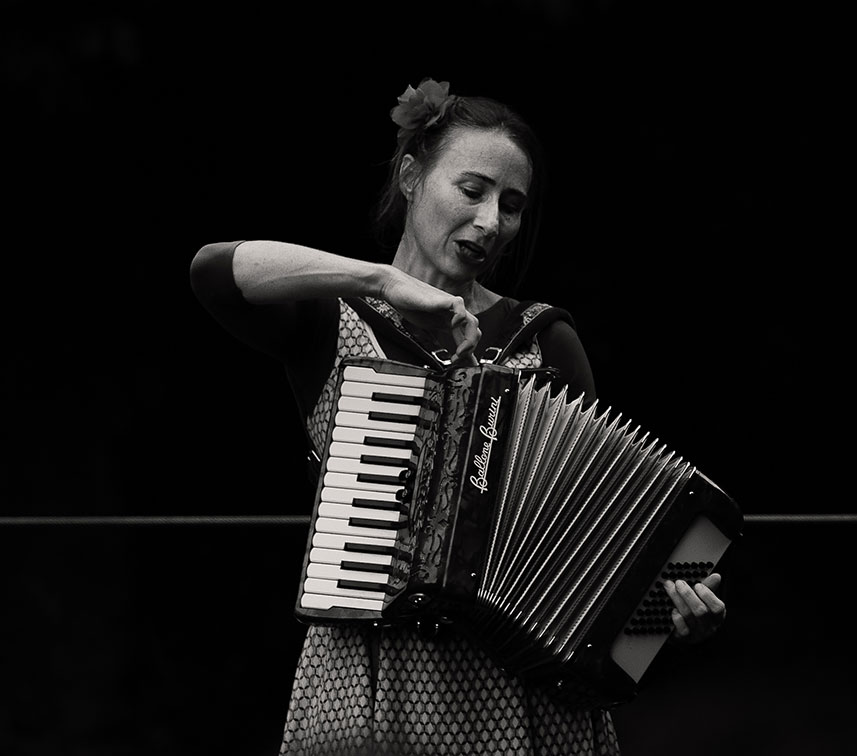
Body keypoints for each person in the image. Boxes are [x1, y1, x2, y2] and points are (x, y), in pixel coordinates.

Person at [190, 78, 726, 756]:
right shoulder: (335, 317)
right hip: (371, 683)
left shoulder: (545, 339)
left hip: (525, 698)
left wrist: (662, 612)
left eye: (512, 204)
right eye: (471, 190)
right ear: (412, 177)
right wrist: (380, 280)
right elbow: (214, 271)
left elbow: (605, 541)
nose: (491, 221)